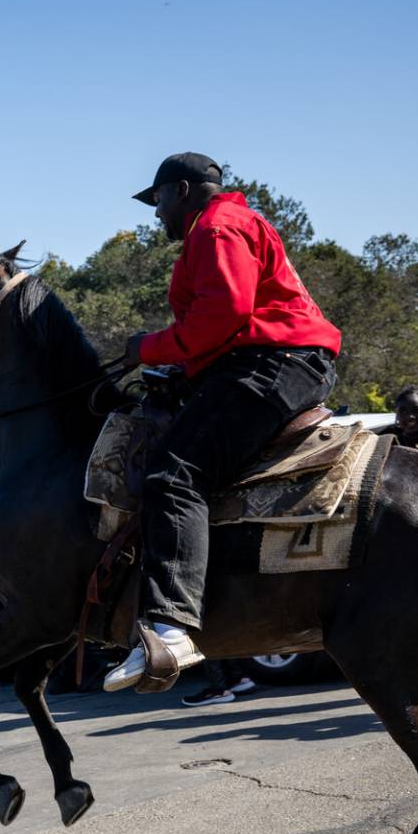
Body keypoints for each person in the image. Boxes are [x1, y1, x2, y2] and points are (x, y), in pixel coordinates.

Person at [108, 152, 342, 692]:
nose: (157, 213)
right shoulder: (230, 223)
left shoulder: (216, 227)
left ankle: (172, 628)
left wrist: (148, 348)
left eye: (158, 199)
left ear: (182, 190)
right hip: (273, 362)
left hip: (272, 365)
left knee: (173, 475)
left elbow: (224, 314)